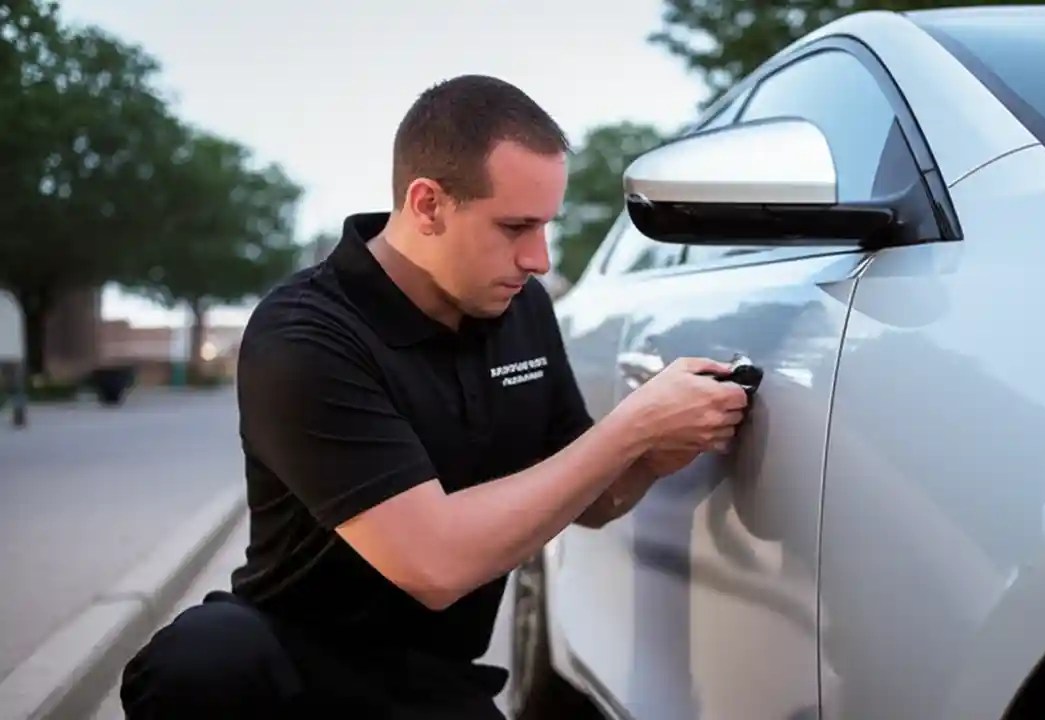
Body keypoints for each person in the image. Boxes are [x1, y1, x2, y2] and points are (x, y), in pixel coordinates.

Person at [118, 74, 748, 719]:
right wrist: (629, 429)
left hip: (435, 683)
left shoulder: (524, 309)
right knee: (198, 661)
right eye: (515, 226)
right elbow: (434, 564)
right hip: (291, 666)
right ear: (427, 205)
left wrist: (651, 457)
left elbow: (590, 502)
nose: (538, 258)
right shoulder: (306, 332)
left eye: (545, 226)